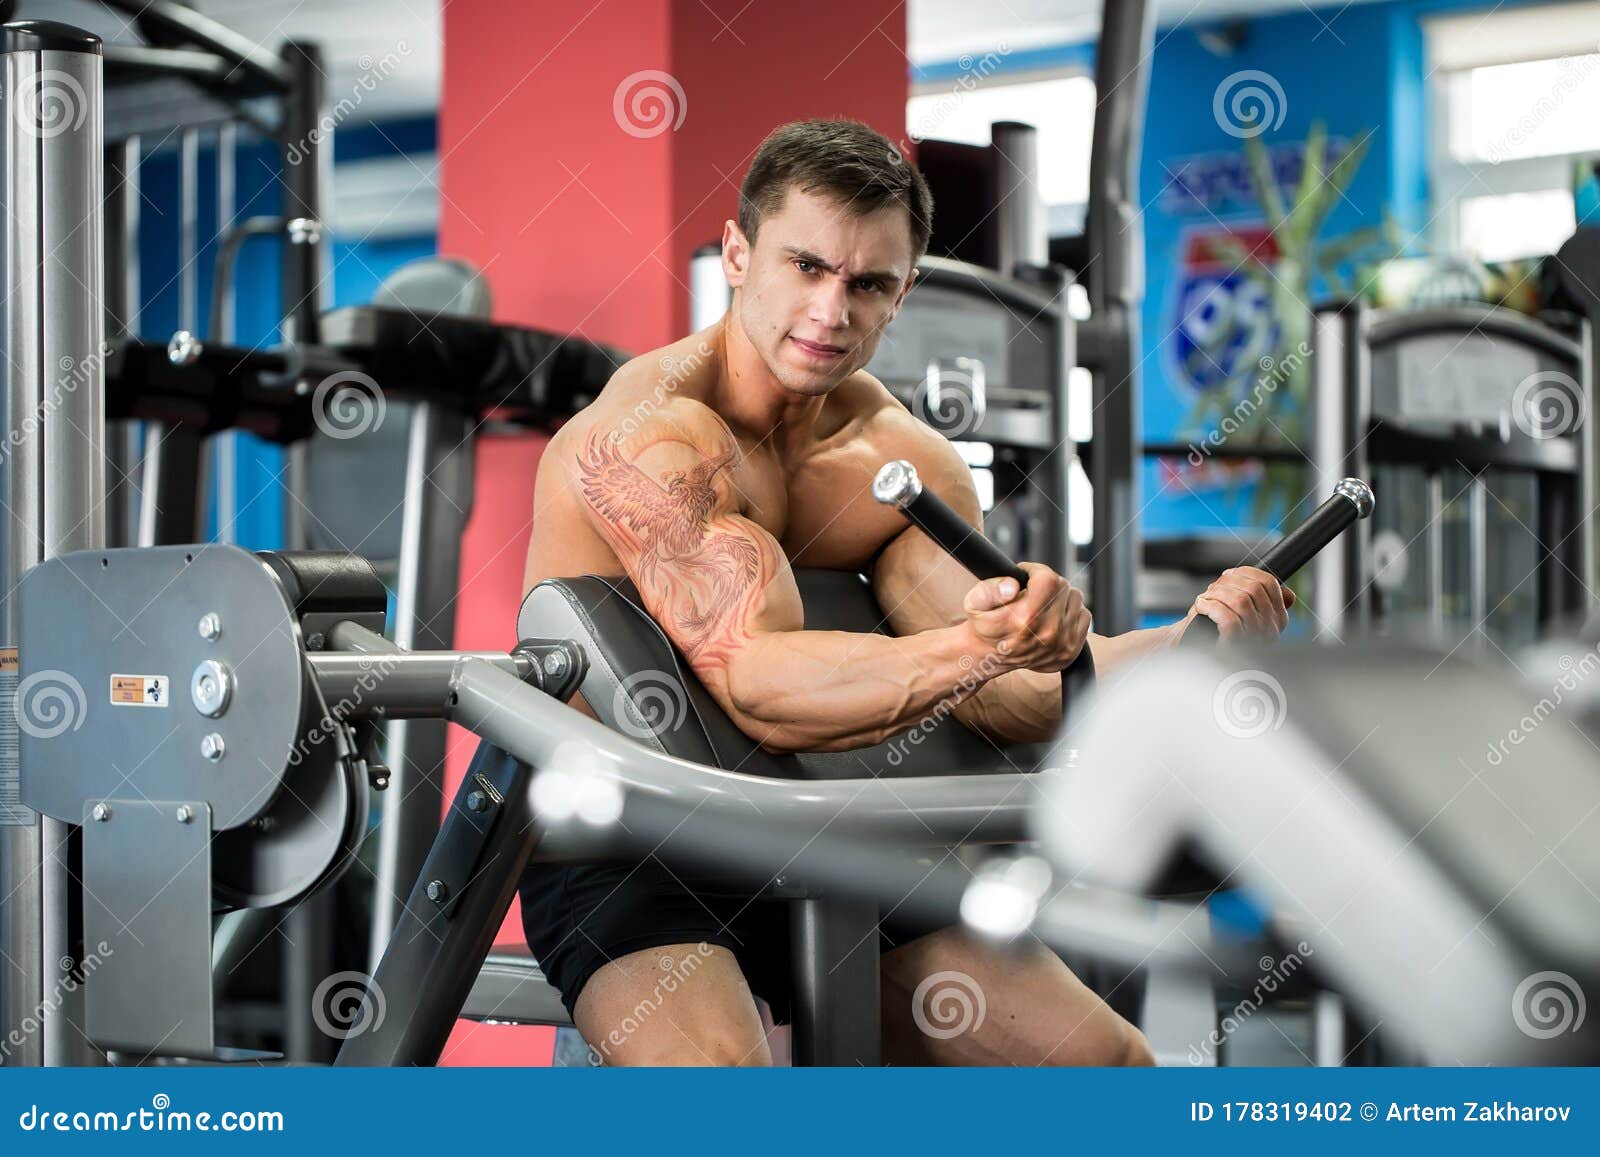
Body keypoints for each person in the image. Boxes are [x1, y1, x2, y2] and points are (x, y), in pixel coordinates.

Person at [518, 118, 1293, 1066]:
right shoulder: (651, 437)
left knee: (1109, 1070)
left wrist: (1187, 640)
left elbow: (1009, 697)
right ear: (736, 252)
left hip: (825, 833)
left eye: (868, 282)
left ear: (903, 292)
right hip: (632, 841)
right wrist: (981, 645)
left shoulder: (900, 458)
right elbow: (759, 679)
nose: (832, 309)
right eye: (805, 266)